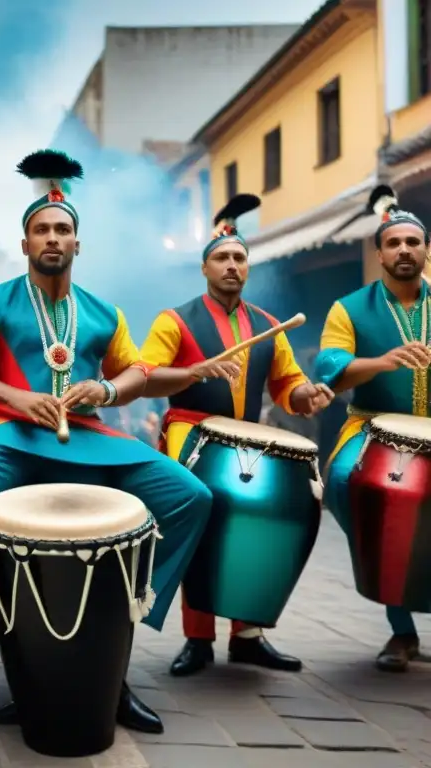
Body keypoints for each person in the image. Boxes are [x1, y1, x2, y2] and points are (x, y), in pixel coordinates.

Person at [0, 150, 214, 735]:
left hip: (88, 438)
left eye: (63, 230)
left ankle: (121, 623)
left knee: (191, 496)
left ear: (78, 244)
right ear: (26, 242)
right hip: (7, 436)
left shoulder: (105, 313)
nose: (53, 238)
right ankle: (17, 628)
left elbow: (137, 373)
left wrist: (107, 389)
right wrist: (17, 398)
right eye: (42, 230)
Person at [140, 193, 333, 677]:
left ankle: (248, 635)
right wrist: (193, 372)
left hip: (249, 437)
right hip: (190, 431)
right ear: (204, 268)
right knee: (207, 510)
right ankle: (198, 639)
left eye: (239, 258)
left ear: (248, 267)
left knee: (269, 517)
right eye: (221, 258)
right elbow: (145, 372)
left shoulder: (270, 326)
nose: (231, 265)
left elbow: (289, 384)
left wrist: (308, 396)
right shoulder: (174, 320)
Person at [316, 185, 431, 672]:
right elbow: (330, 365)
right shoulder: (348, 308)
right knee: (346, 484)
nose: (404, 250)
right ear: (379, 252)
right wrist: (380, 362)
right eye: (394, 243)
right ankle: (401, 628)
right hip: (371, 430)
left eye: (414, 242)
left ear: (426, 249)